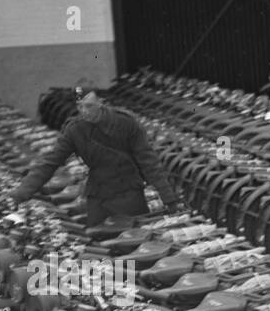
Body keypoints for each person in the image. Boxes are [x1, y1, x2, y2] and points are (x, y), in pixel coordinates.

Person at [12, 87, 179, 225]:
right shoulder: (75, 130)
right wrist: (21, 193)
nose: (84, 111)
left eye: (89, 106)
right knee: (100, 245)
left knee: (133, 248)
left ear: (101, 103)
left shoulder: (125, 123)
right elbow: (49, 162)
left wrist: (168, 198)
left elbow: (149, 162)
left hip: (129, 193)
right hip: (99, 196)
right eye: (80, 106)